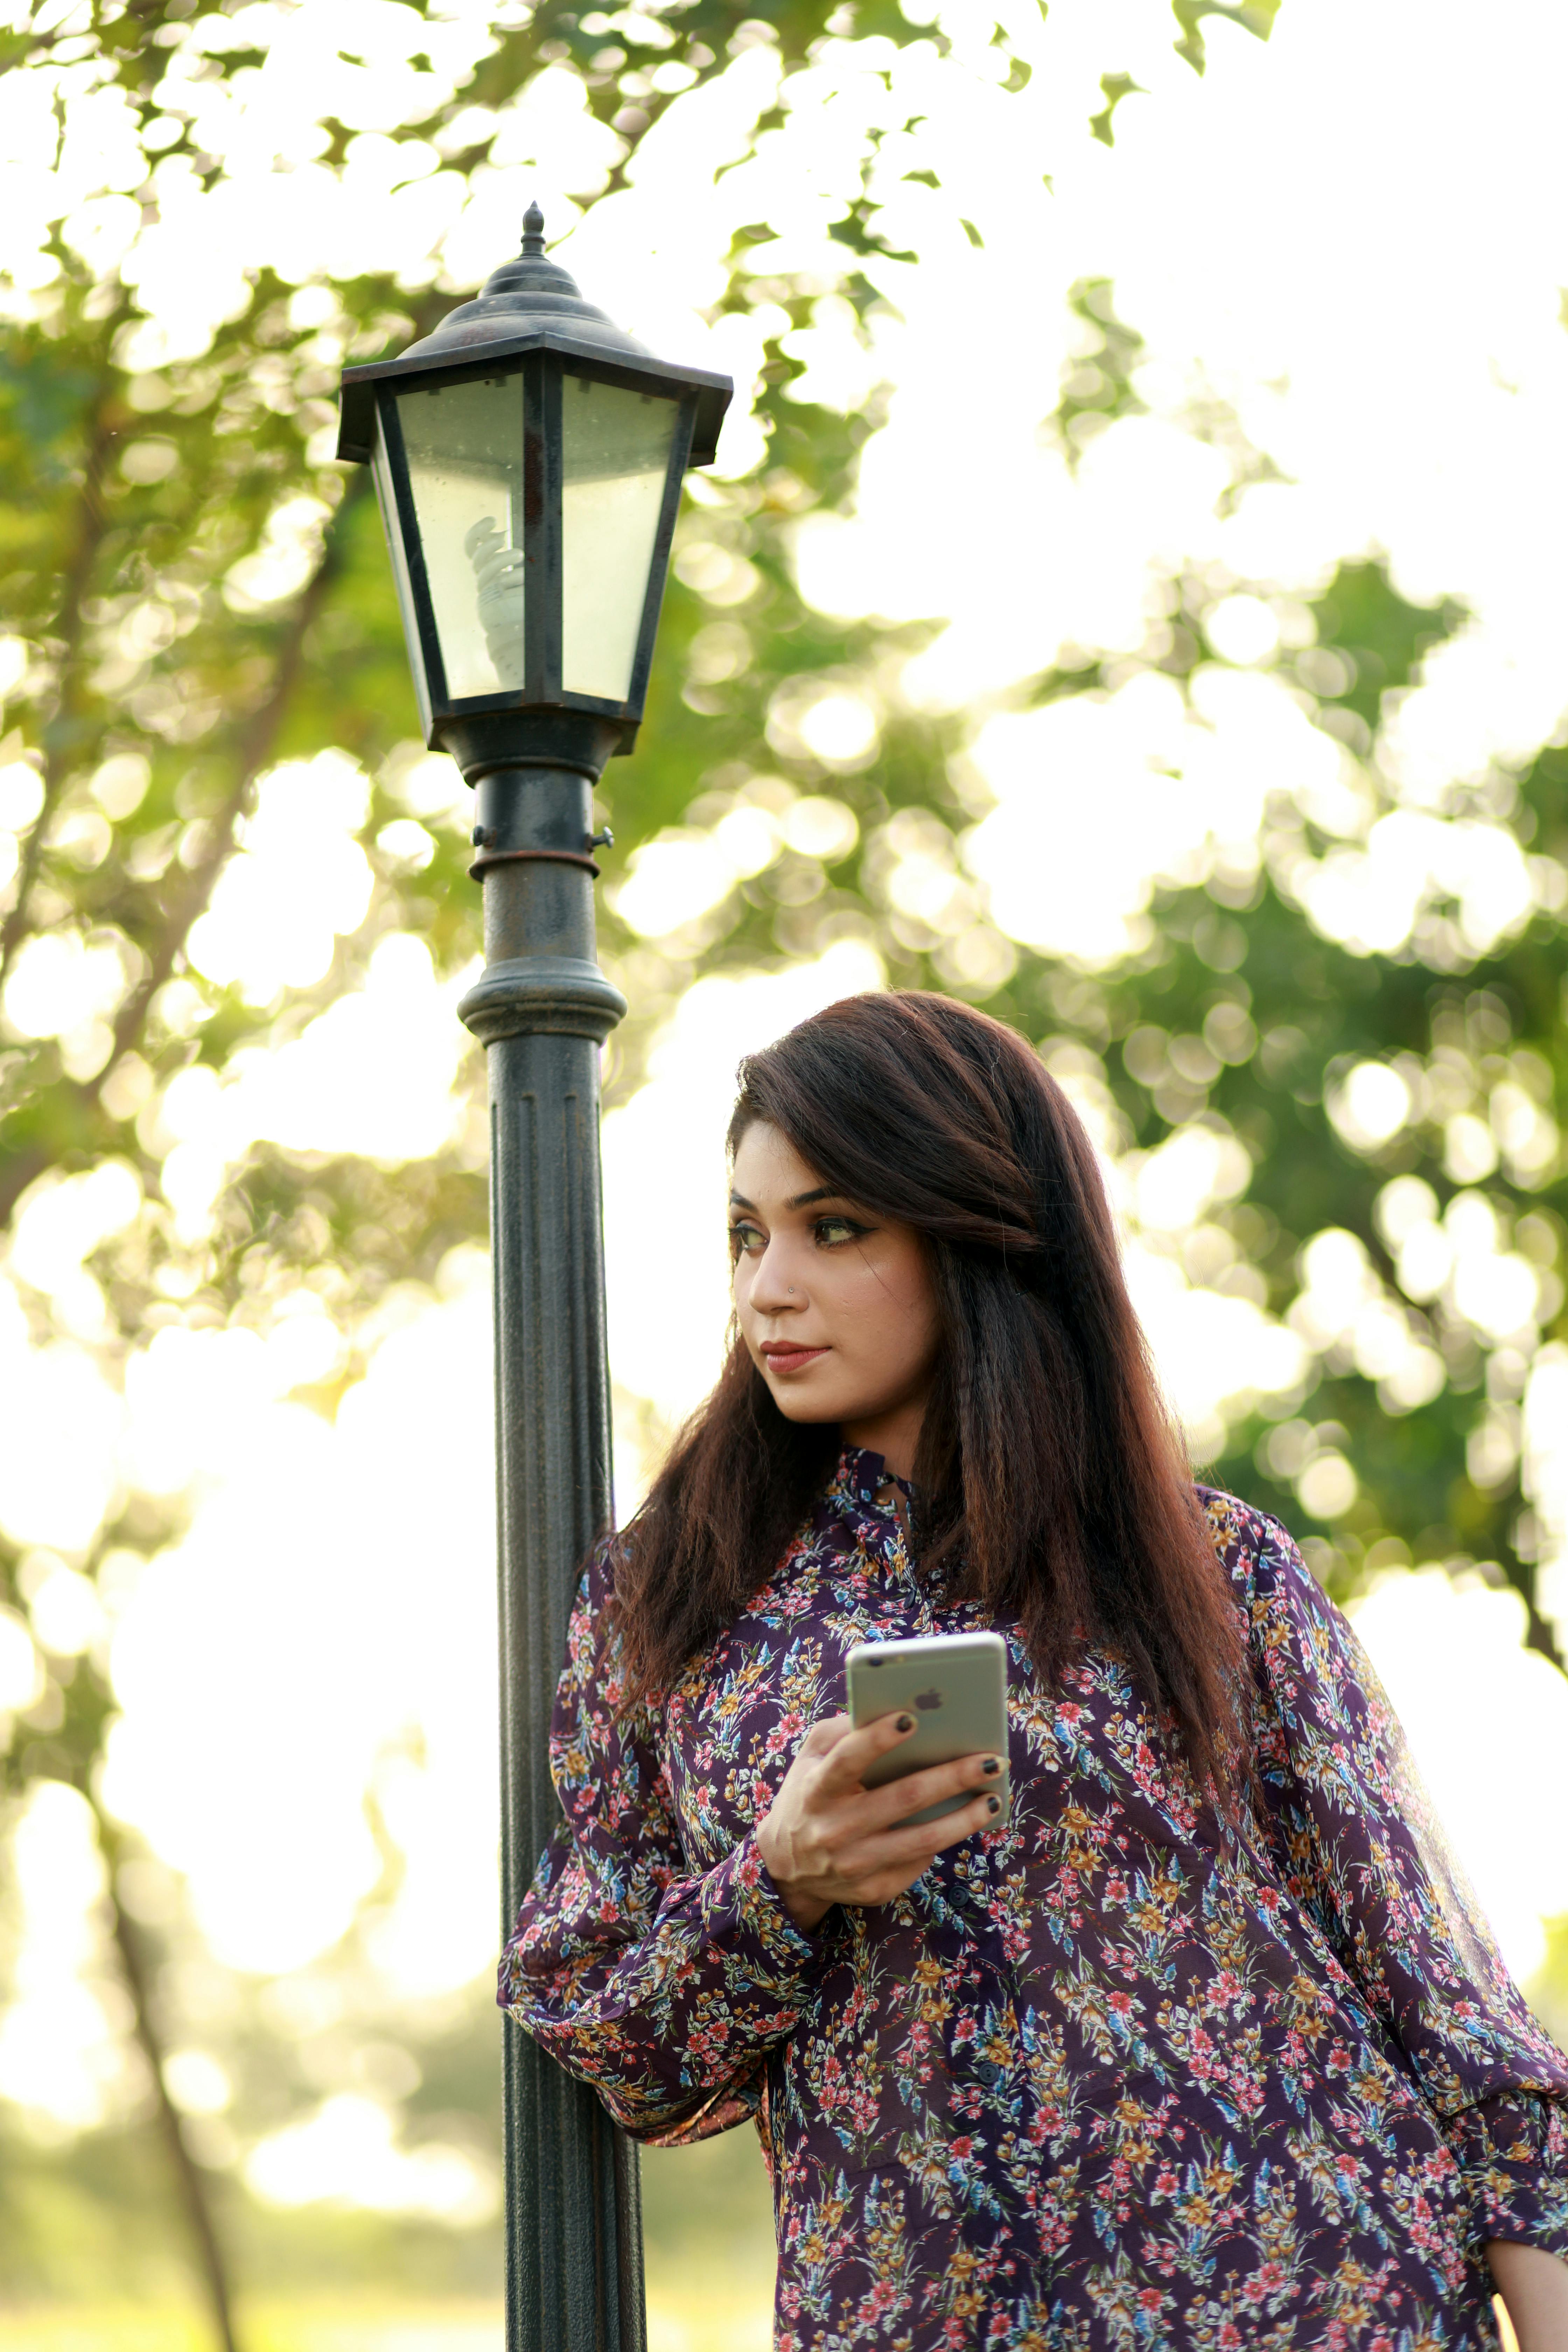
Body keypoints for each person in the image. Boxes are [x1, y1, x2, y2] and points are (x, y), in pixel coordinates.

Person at [499, 989, 1568, 2350]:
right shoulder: (669, 1604)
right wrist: (780, 1885)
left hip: (1313, 2288)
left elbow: (1446, 2011)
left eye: (835, 1230)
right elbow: (609, 2040)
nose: (767, 1286)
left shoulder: (1211, 1570)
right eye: (745, 1233)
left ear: (975, 1243)